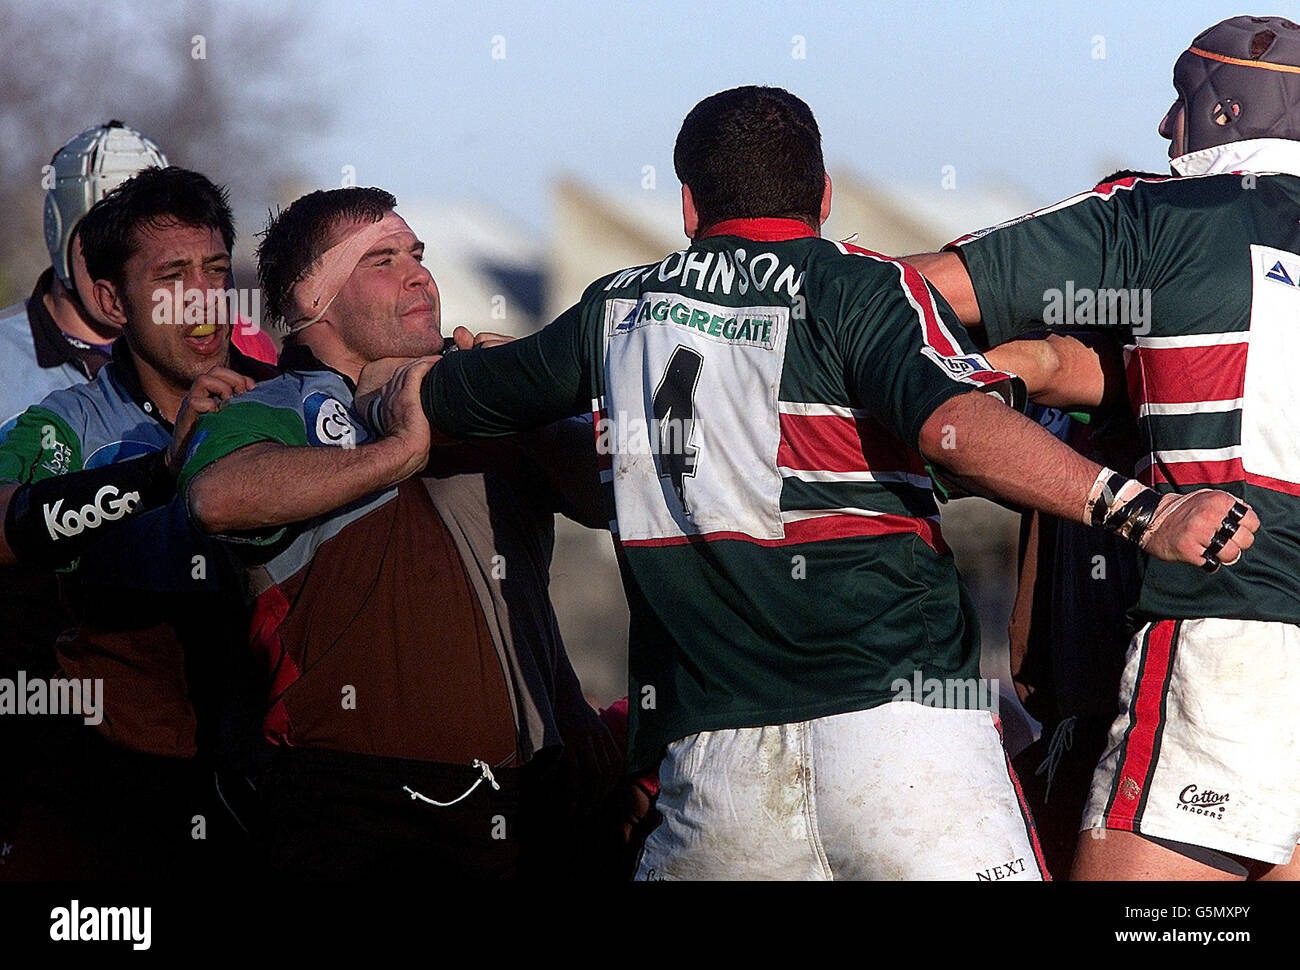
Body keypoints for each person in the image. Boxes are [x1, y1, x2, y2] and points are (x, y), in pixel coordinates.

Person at [366, 85, 1251, 880]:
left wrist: (374, 387)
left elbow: (449, 397)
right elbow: (957, 425)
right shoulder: (864, 289)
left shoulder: (613, 308)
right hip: (905, 749)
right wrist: (1139, 508)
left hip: (713, 773)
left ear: (687, 205)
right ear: (823, 198)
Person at [906, 15, 1300, 880]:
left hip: (1237, 625)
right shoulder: (1203, 315)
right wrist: (1022, 373)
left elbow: (910, 291)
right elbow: (1084, 369)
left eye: (1180, 103)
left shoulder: (1161, 214)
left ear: (1227, 111)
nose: (1166, 127)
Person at [179, 186, 620, 879]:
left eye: (417, 254)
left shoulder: (475, 386)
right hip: (355, 809)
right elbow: (215, 498)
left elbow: (612, 498)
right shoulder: (269, 406)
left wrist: (528, 405)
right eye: (381, 260)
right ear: (310, 301)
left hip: (530, 798)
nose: (419, 273)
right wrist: (398, 453)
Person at [0, 166, 274, 878]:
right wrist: (156, 475)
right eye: (172, 275)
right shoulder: (65, 426)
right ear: (110, 299)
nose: (202, 299)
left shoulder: (290, 399)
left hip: (271, 799)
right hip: (109, 802)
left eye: (215, 270)